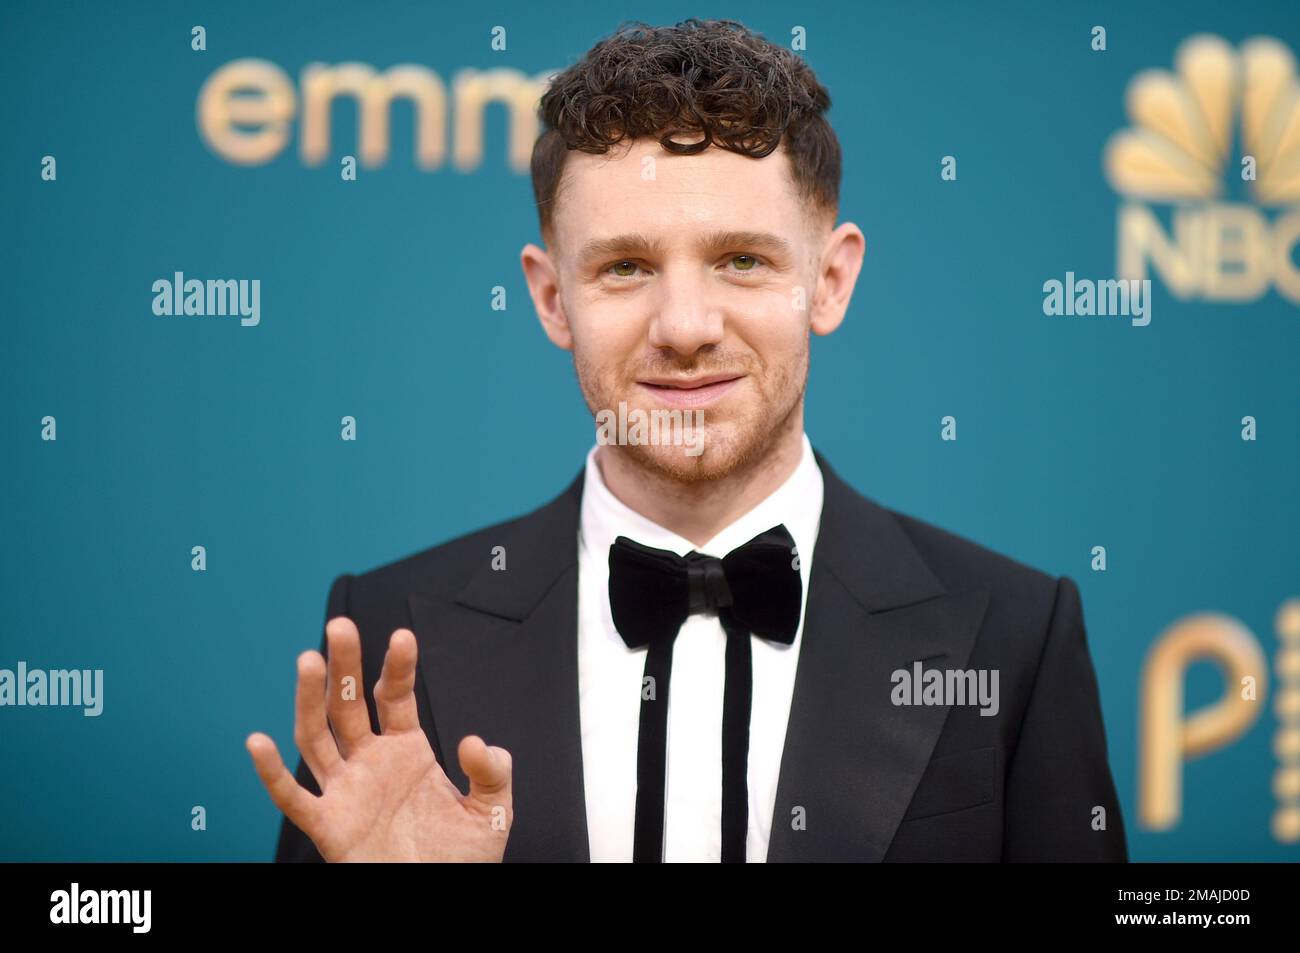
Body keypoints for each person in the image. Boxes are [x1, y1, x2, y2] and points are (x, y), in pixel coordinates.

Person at [246, 17, 1127, 862]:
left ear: (830, 279)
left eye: (742, 259)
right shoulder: (390, 632)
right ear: (553, 298)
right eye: (625, 267)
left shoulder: (1015, 636)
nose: (686, 325)